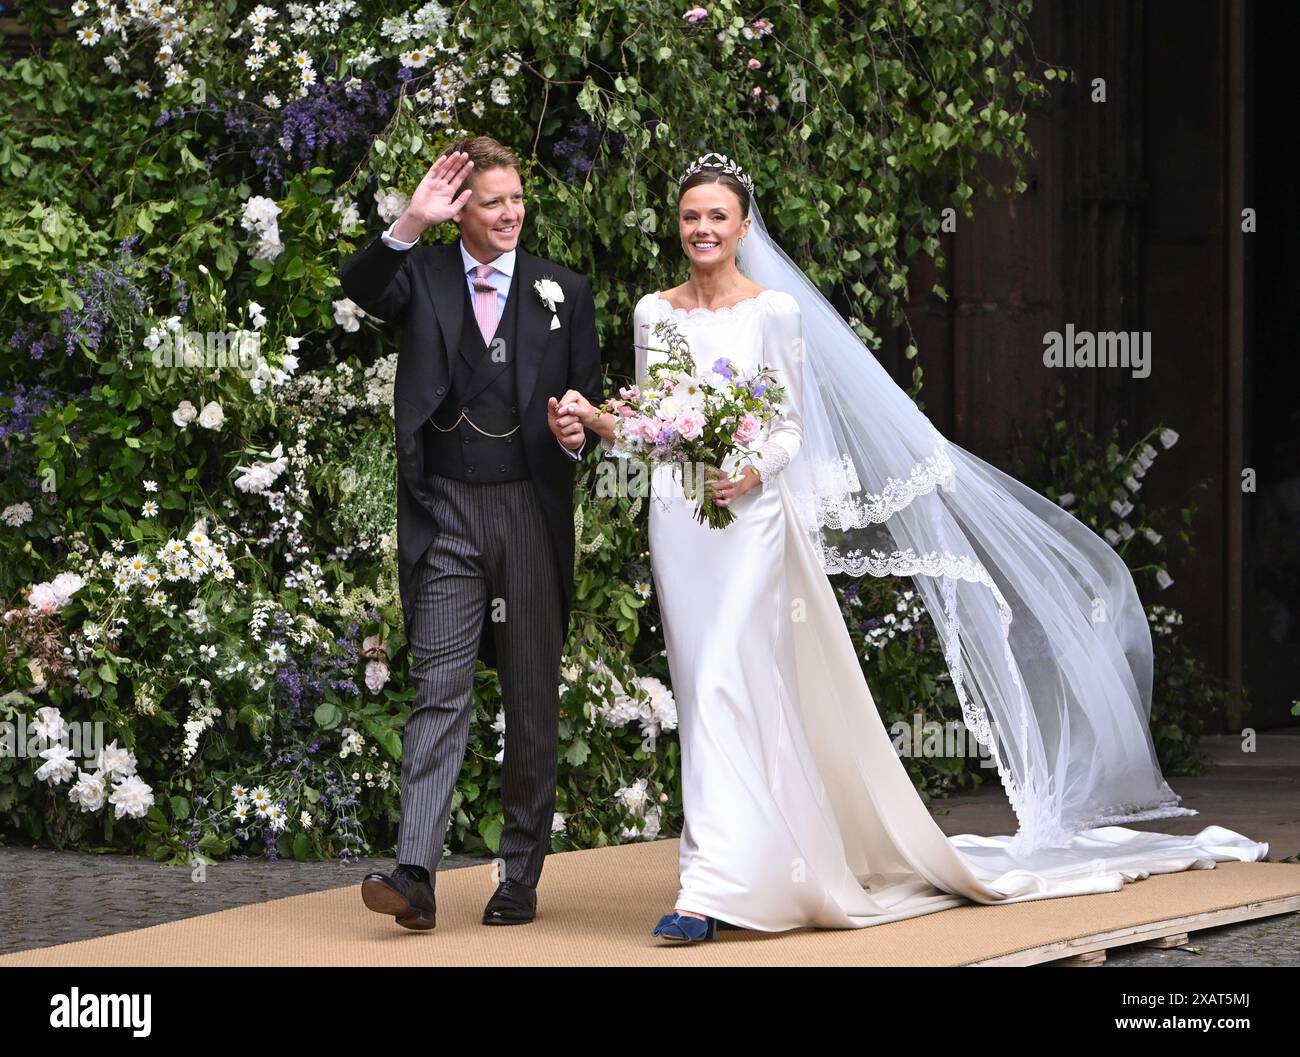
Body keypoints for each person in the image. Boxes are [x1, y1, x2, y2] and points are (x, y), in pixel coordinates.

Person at [567, 152, 1268, 943]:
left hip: (753, 520)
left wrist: (748, 468)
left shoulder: (773, 313)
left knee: (730, 677)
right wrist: (598, 422)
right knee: (705, 693)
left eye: (717, 216)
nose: (702, 229)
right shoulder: (652, 313)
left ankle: (707, 885)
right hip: (680, 521)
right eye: (692, 215)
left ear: (742, 226)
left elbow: (790, 427)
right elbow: (653, 426)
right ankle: (761, 856)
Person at [339, 137, 602, 930]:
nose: (512, 213)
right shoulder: (419, 274)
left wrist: (570, 431)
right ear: (461, 212)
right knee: (439, 688)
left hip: (527, 510)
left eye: (517, 198)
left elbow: (586, 409)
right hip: (445, 510)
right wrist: (408, 224)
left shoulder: (565, 289)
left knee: (529, 698)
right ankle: (415, 871)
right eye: (494, 202)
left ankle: (518, 874)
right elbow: (360, 286)